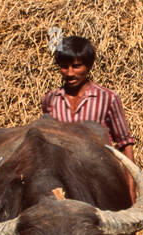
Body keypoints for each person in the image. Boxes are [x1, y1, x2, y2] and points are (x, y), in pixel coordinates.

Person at [40, 35, 137, 198]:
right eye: (64, 67)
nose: (70, 73)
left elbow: (125, 144)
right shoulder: (51, 99)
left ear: (89, 65)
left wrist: (130, 190)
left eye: (76, 66)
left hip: (99, 181)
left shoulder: (108, 98)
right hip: (61, 184)